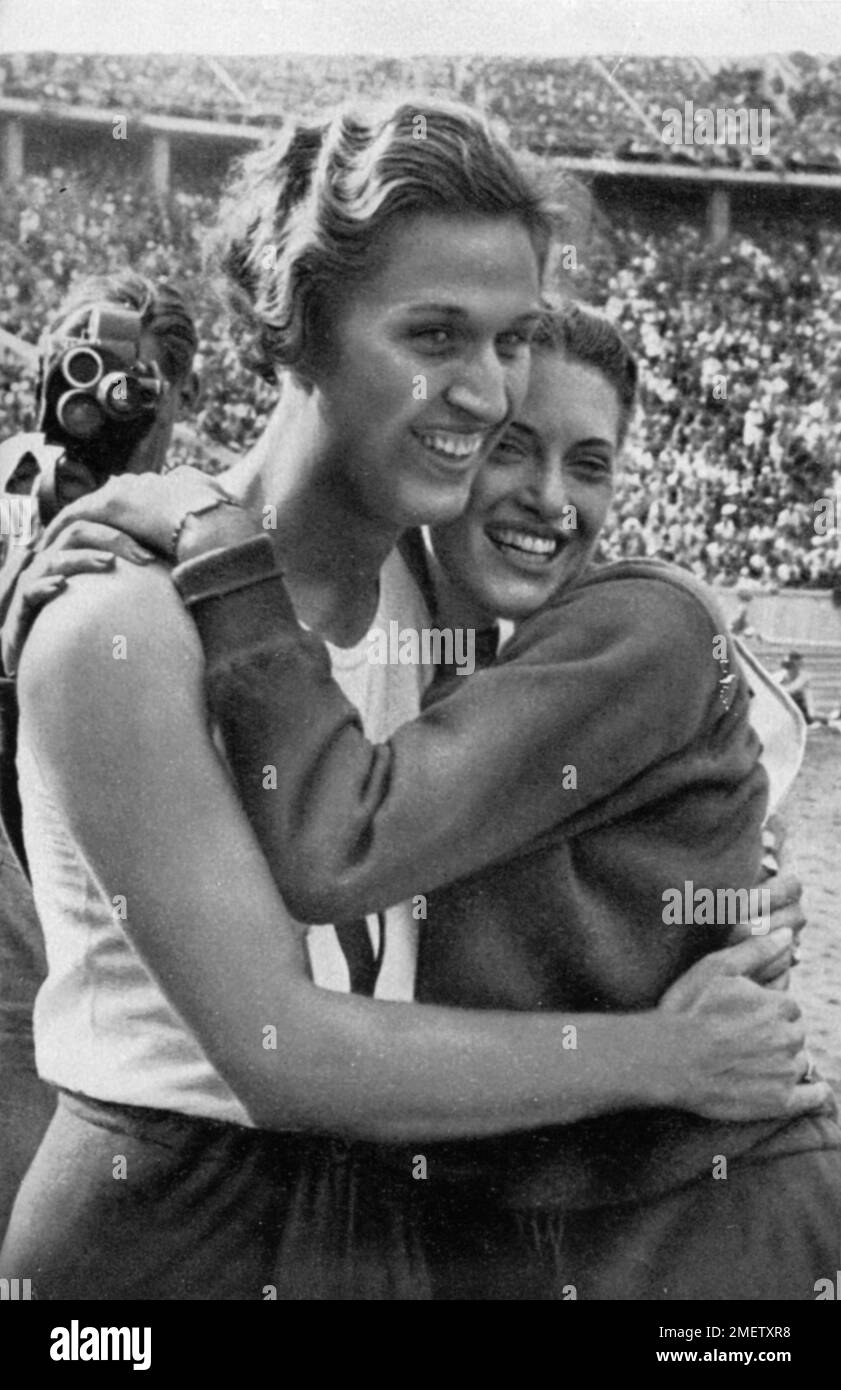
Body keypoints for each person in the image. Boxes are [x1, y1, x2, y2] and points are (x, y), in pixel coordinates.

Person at [13, 276, 831, 1303]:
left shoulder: (637, 627)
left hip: (686, 1213)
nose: (547, 497)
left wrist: (726, 909)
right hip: (401, 1209)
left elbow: (342, 839)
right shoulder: (403, 611)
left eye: (591, 464)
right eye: (508, 449)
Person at [0, 271, 199, 1247]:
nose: (104, 403)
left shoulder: (199, 528)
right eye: (88, 372)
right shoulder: (8, 493)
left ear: (176, 404)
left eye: (137, 383)